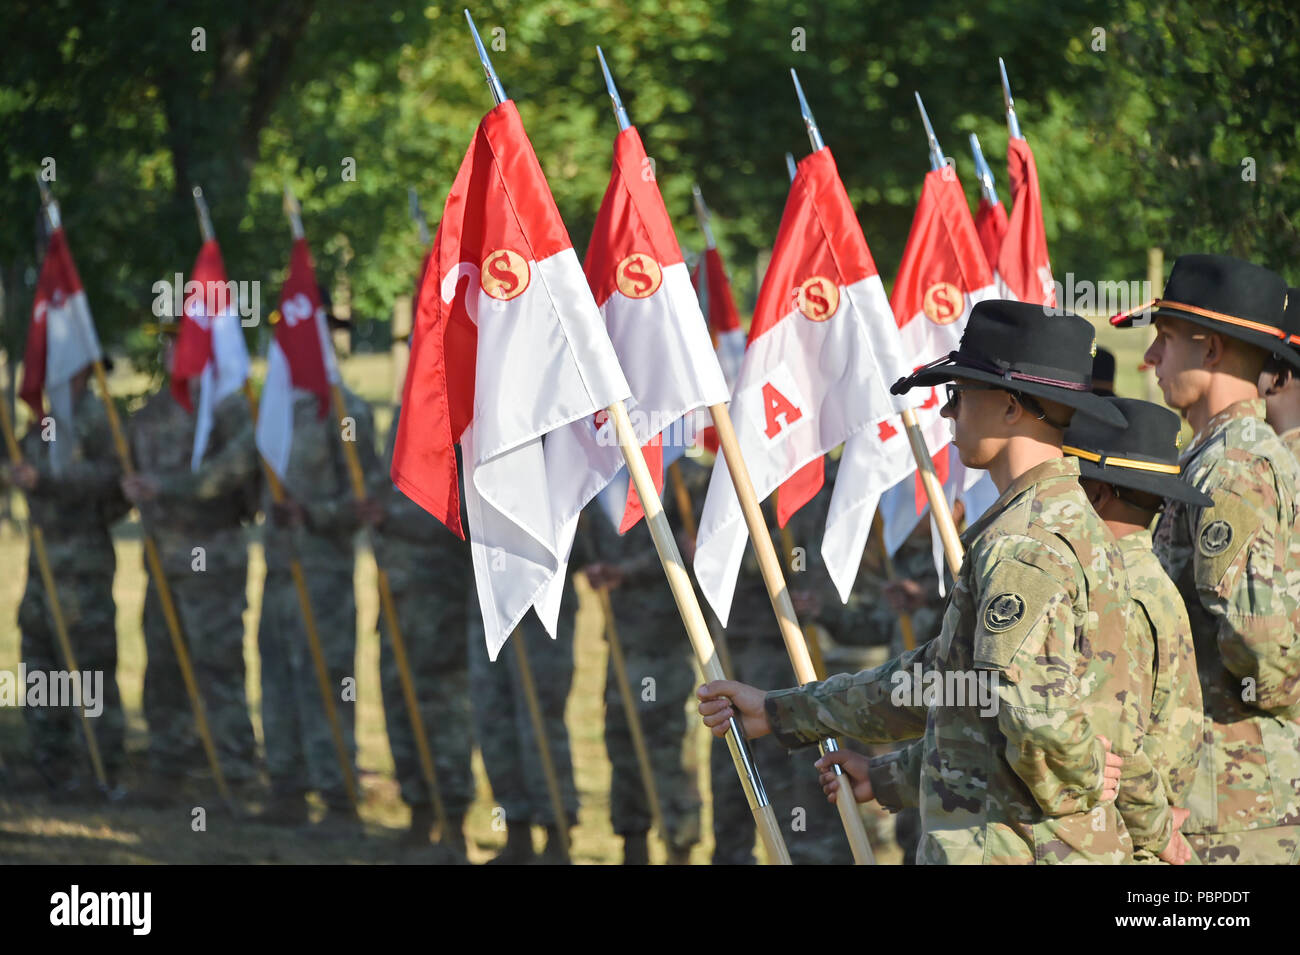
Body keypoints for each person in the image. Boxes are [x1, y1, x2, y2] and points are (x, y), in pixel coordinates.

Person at [698, 300, 1164, 864]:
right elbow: (949, 679)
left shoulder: (1023, 542)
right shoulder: (1069, 523)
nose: (948, 414)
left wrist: (1083, 770)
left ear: (1010, 407)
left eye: (960, 396)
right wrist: (782, 711)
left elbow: (1029, 710)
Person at [1114, 255, 1300, 864]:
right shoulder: (1216, 456)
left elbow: (1257, 640)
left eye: (1164, 341)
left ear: (1212, 350)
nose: (1150, 360)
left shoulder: (1235, 465)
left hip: (1235, 800)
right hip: (1223, 793)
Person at [1063, 396, 1207, 863]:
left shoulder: (1114, 594)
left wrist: (1155, 825)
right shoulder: (1147, 580)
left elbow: (1112, 740)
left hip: (1123, 835)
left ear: (1096, 494)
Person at [122, 327, 260, 803]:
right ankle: (167, 766)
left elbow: (235, 469)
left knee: (217, 666)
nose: (173, 350)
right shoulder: (149, 415)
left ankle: (236, 772)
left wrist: (165, 486)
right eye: (168, 342)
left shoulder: (230, 409)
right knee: (163, 664)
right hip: (161, 561)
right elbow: (122, 472)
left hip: (213, 559)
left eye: (184, 340)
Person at [259, 379, 380, 826]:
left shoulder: (347, 411)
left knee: (326, 684)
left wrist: (313, 514)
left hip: (323, 571)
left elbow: (367, 494)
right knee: (277, 681)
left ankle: (338, 800)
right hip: (278, 569)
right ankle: (286, 791)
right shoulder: (273, 402)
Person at [6, 363, 128, 798]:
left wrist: (49, 481)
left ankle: (95, 765)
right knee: (41, 659)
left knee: (87, 664)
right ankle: (49, 762)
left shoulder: (100, 419)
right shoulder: (44, 421)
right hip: (42, 561)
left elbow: (114, 478)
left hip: (83, 559)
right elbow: (17, 464)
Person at [583, 467, 701, 865]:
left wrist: (625, 572)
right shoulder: (602, 473)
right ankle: (632, 845)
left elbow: (690, 547)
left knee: (668, 746)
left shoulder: (688, 478)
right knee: (622, 741)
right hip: (622, 640)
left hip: (665, 639)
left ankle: (678, 848)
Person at [371, 407, 474, 857]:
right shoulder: (407, 414)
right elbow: (384, 486)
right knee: (399, 701)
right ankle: (417, 811)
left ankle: (452, 820)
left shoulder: (466, 417)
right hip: (396, 599)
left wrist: (393, 519)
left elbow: (466, 514)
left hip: (441, 601)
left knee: (443, 710)